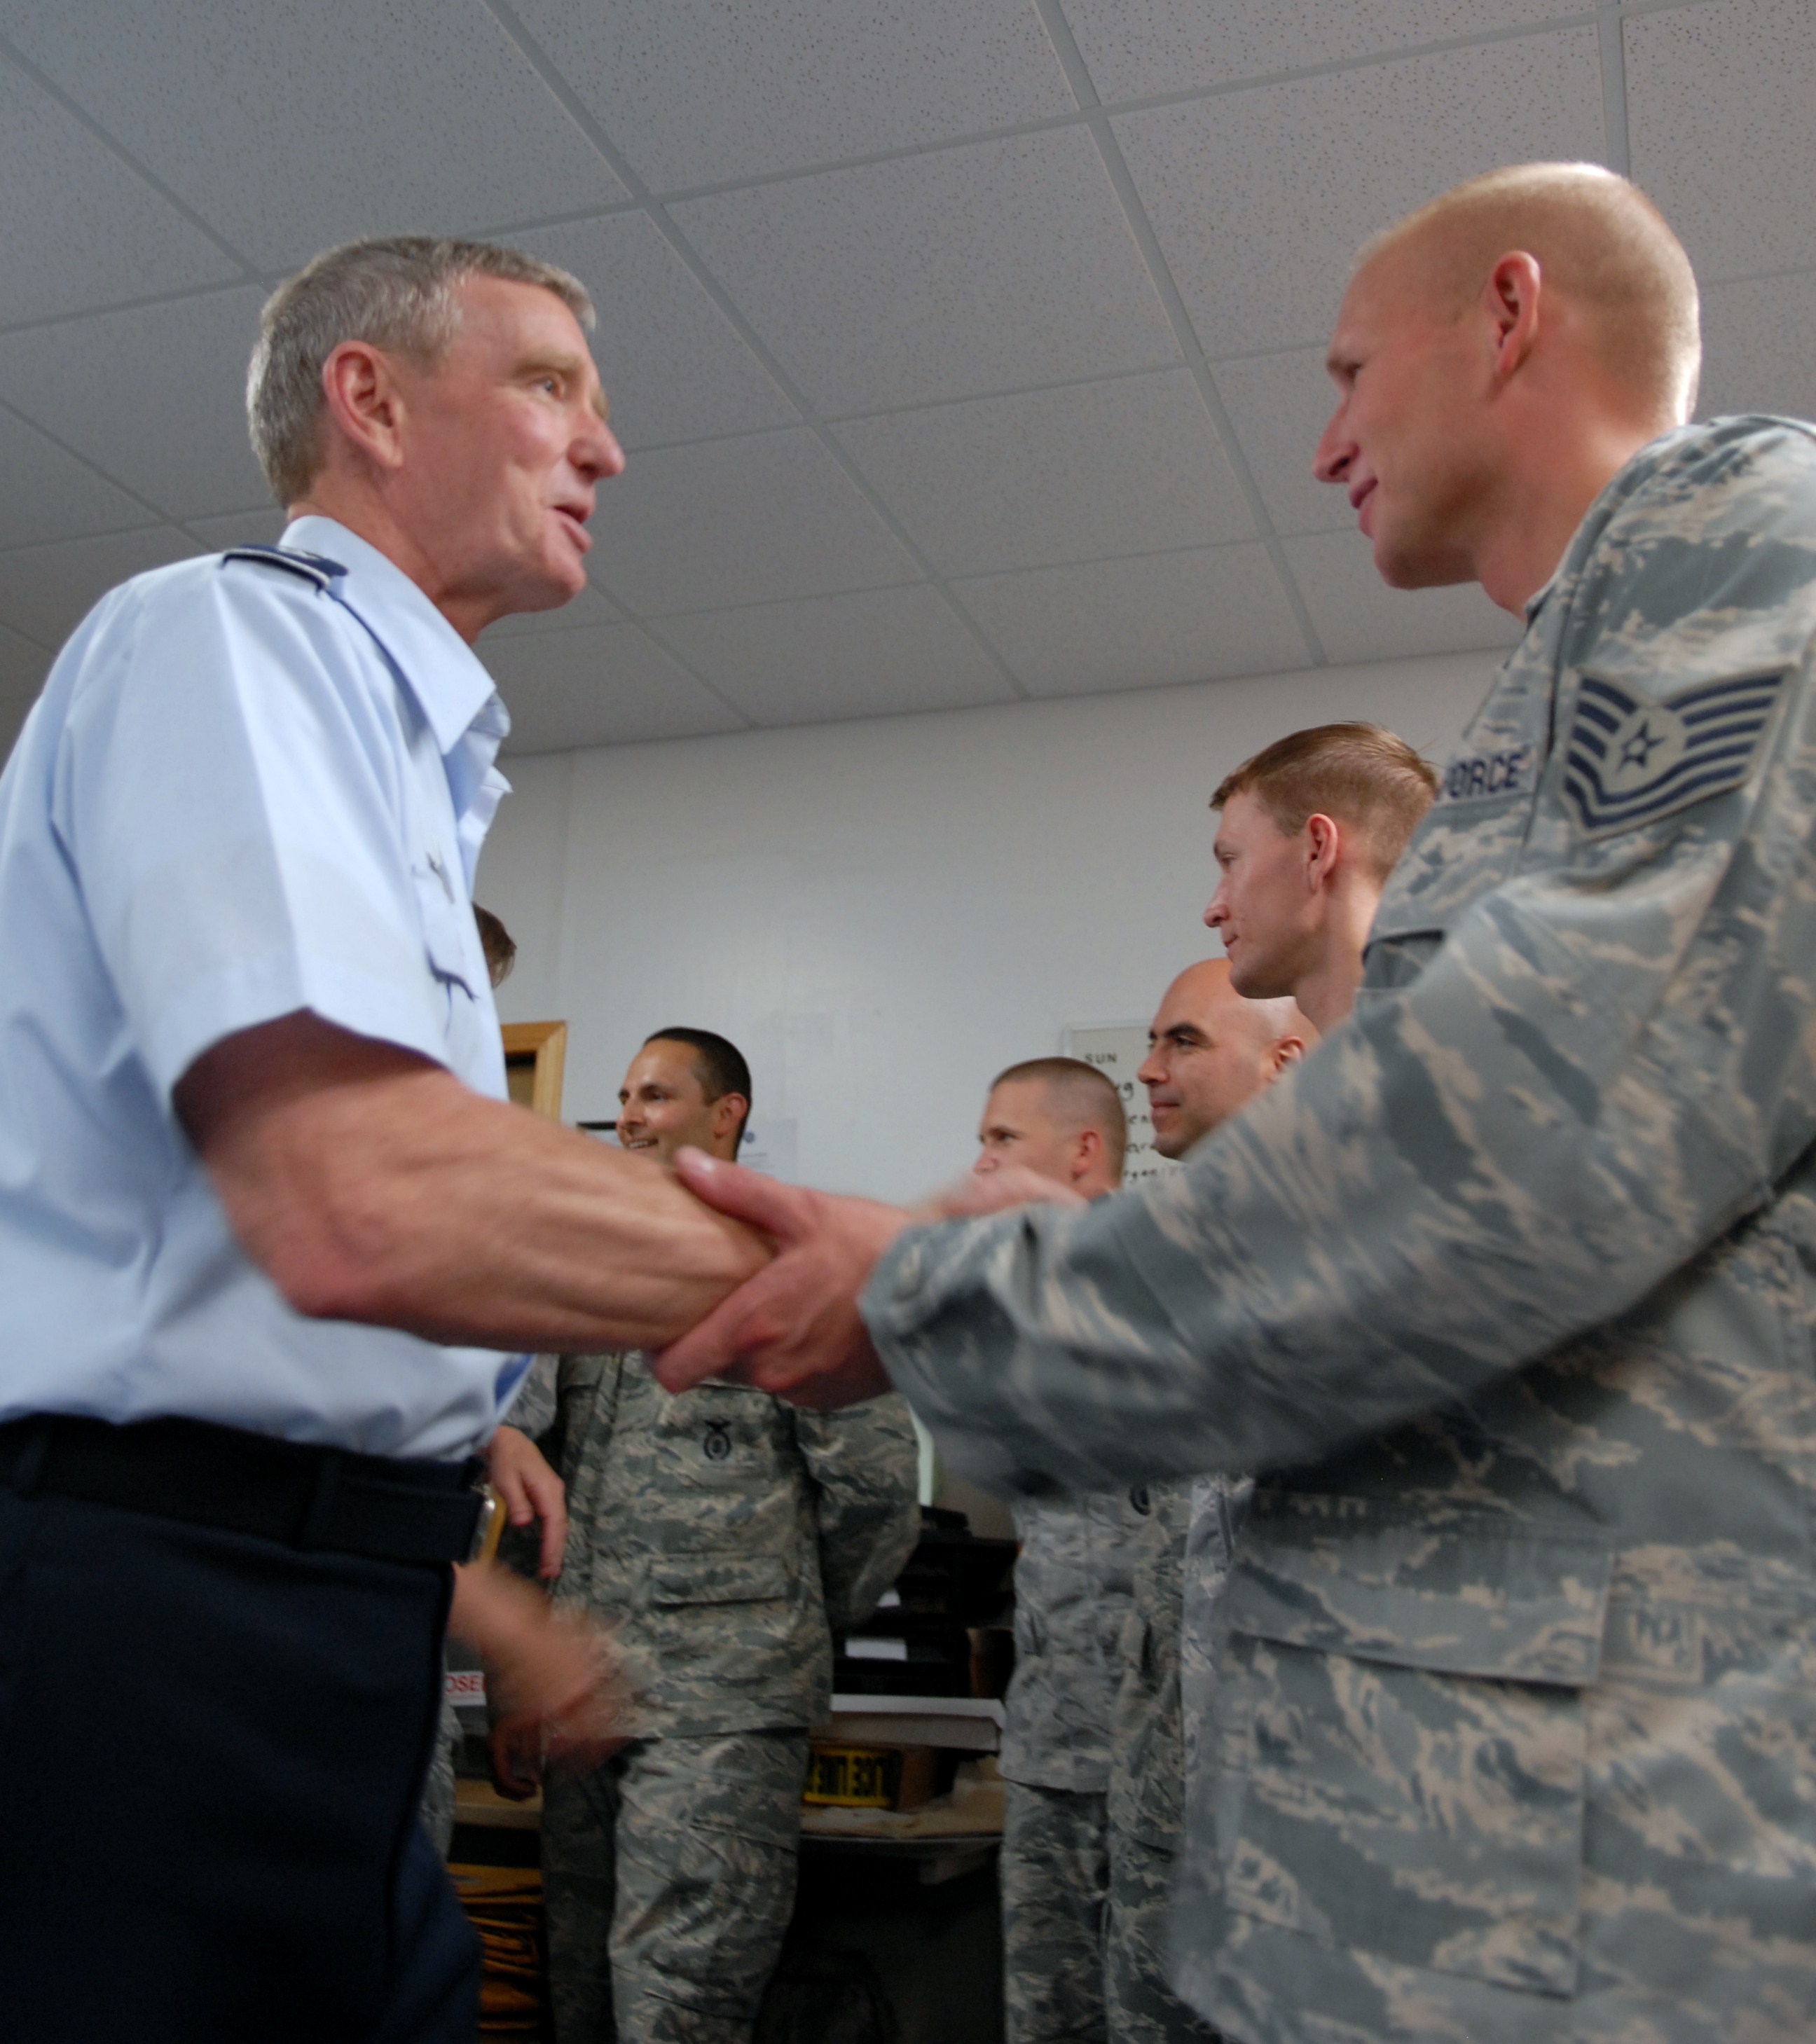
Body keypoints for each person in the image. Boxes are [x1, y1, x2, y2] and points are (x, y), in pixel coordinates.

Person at [656, 163, 1816, 2040]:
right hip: (1447, 1870)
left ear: (1512, 312)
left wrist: (933, 1294)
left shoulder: (1745, 536)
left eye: (1355, 369)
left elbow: (1503, 1157)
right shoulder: (1572, 672)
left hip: (1597, 1899)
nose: (1325, 441)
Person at [0, 235, 773, 2044]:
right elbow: (349, 1195)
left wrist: (464, 1600)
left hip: (333, 1619)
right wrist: (900, 1271)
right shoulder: (224, 641)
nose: (608, 447)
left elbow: (273, 1341)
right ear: (368, 399)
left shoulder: (400, 769)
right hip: (162, 1630)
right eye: (551, 384)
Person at [514, 1028, 921, 2044]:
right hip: (584, 1703)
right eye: (623, 1097)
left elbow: (873, 1494)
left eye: (655, 1094)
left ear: (725, 1113)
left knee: (678, 2009)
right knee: (580, 1996)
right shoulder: (585, 1274)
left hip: (719, 1712)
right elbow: (530, 1484)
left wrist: (780, 1629)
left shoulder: (793, 1270)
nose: (632, 1117)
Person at [1109, 964, 1312, 2044]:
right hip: (1163, 1780)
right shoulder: (1169, 1248)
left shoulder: (1368, 1240)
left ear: (1284, 1060)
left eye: (1182, 1041)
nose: (1148, 1069)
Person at [972, 1057, 1136, 2044]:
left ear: (1084, 1150)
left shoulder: (1169, 1277)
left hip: (1166, 1753)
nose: (980, 1162)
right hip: (1051, 1739)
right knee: (1046, 2017)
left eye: (1002, 1139)